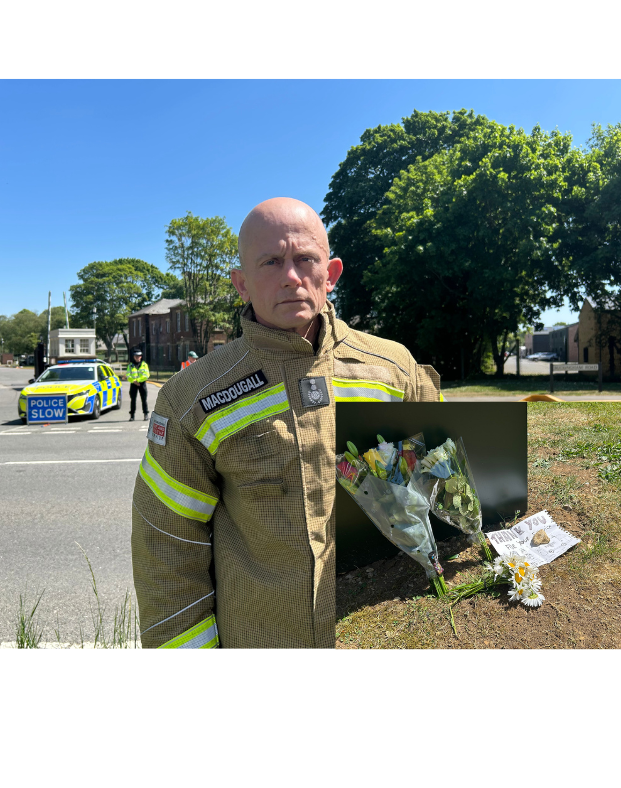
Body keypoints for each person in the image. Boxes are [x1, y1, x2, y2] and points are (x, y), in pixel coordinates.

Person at [131, 197, 443, 649]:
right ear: (241, 284)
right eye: (271, 262)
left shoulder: (395, 369)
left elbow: (443, 491)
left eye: (305, 260)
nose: (292, 277)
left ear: (331, 274)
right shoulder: (191, 398)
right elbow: (166, 543)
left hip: (389, 638)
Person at [126, 349, 150, 422]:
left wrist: (138, 380)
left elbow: (146, 375)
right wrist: (134, 381)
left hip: (142, 384)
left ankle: (145, 414)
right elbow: (128, 375)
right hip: (133, 384)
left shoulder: (144, 365)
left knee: (144, 400)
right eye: (136, 356)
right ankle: (132, 415)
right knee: (133, 400)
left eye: (139, 356)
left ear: (141, 356)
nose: (137, 357)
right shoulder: (130, 365)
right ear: (134, 357)